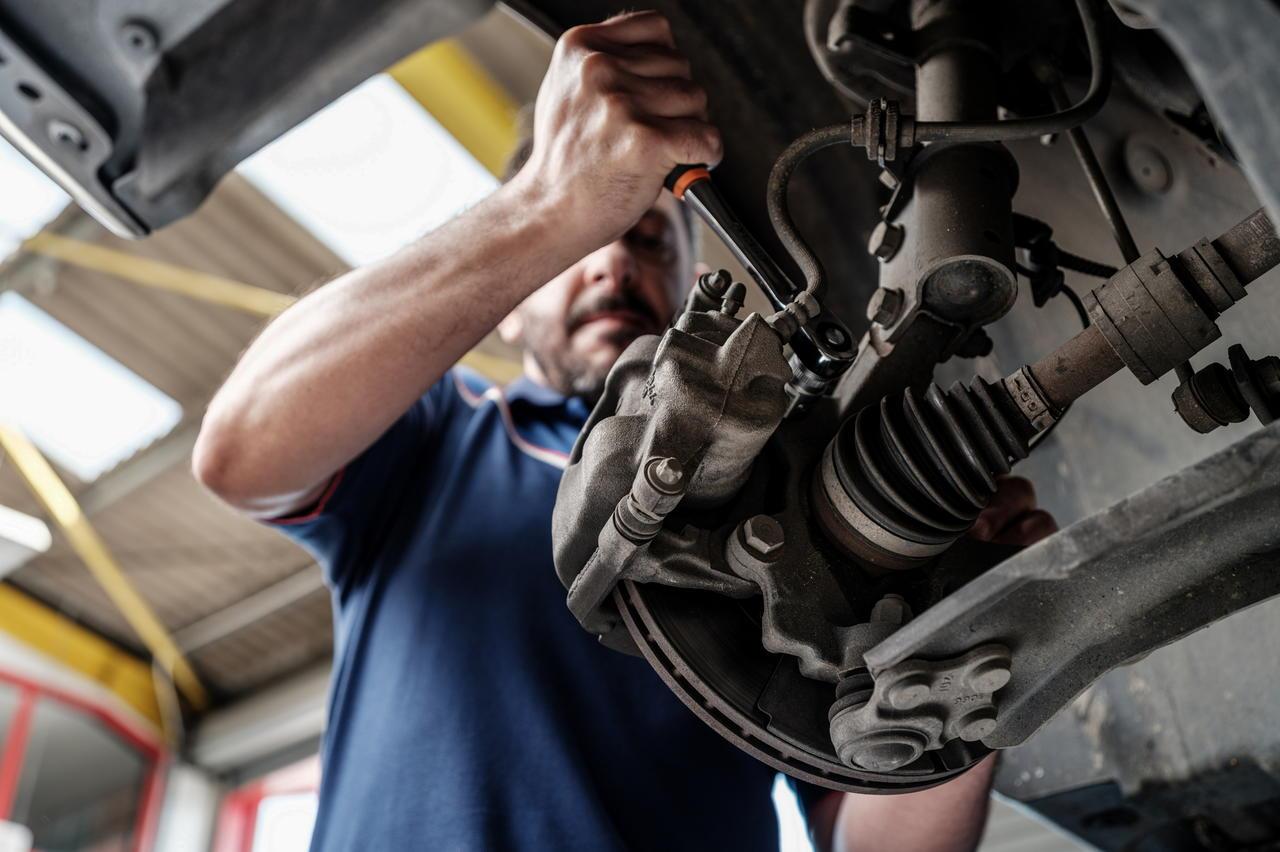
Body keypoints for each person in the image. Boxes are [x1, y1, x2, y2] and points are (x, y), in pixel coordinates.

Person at [194, 10, 1056, 851]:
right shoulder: (435, 435)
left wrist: (966, 668)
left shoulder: (786, 497)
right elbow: (240, 453)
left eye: (649, 239)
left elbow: (867, 835)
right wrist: (548, 207)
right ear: (508, 310)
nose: (614, 259)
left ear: (688, 285)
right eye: (589, 240)